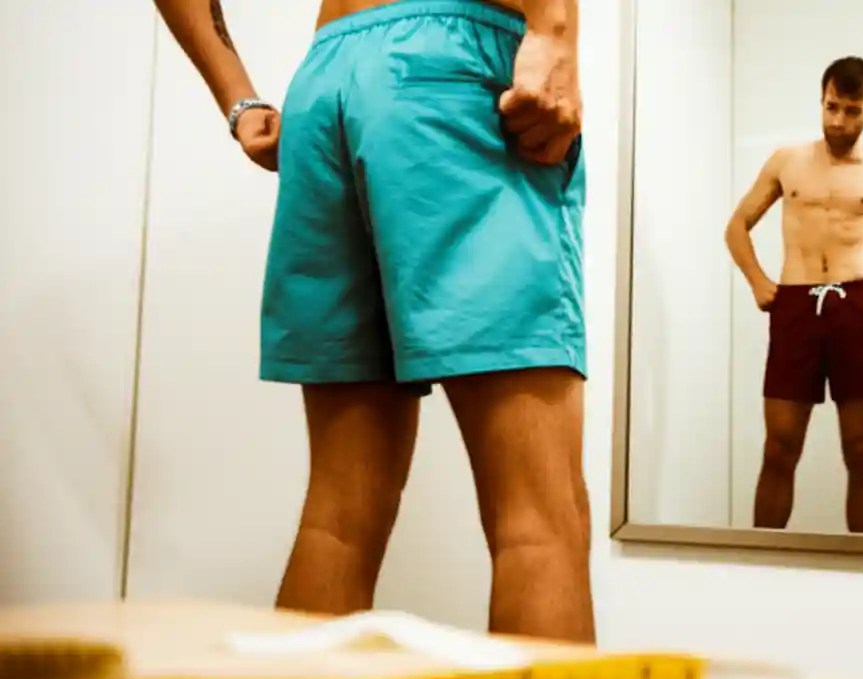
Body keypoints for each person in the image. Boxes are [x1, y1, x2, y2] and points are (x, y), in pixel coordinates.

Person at [152, 0, 594, 643]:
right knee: (540, 521)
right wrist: (555, 29)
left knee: (337, 521)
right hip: (450, 68)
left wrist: (239, 101)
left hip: (325, 84)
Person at [725, 56, 863, 535]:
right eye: (831, 107)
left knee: (862, 449)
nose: (838, 121)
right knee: (780, 447)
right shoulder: (787, 161)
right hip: (795, 307)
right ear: (822, 100)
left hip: (860, 307)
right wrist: (757, 281)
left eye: (851, 110)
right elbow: (736, 227)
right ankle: (761, 562)